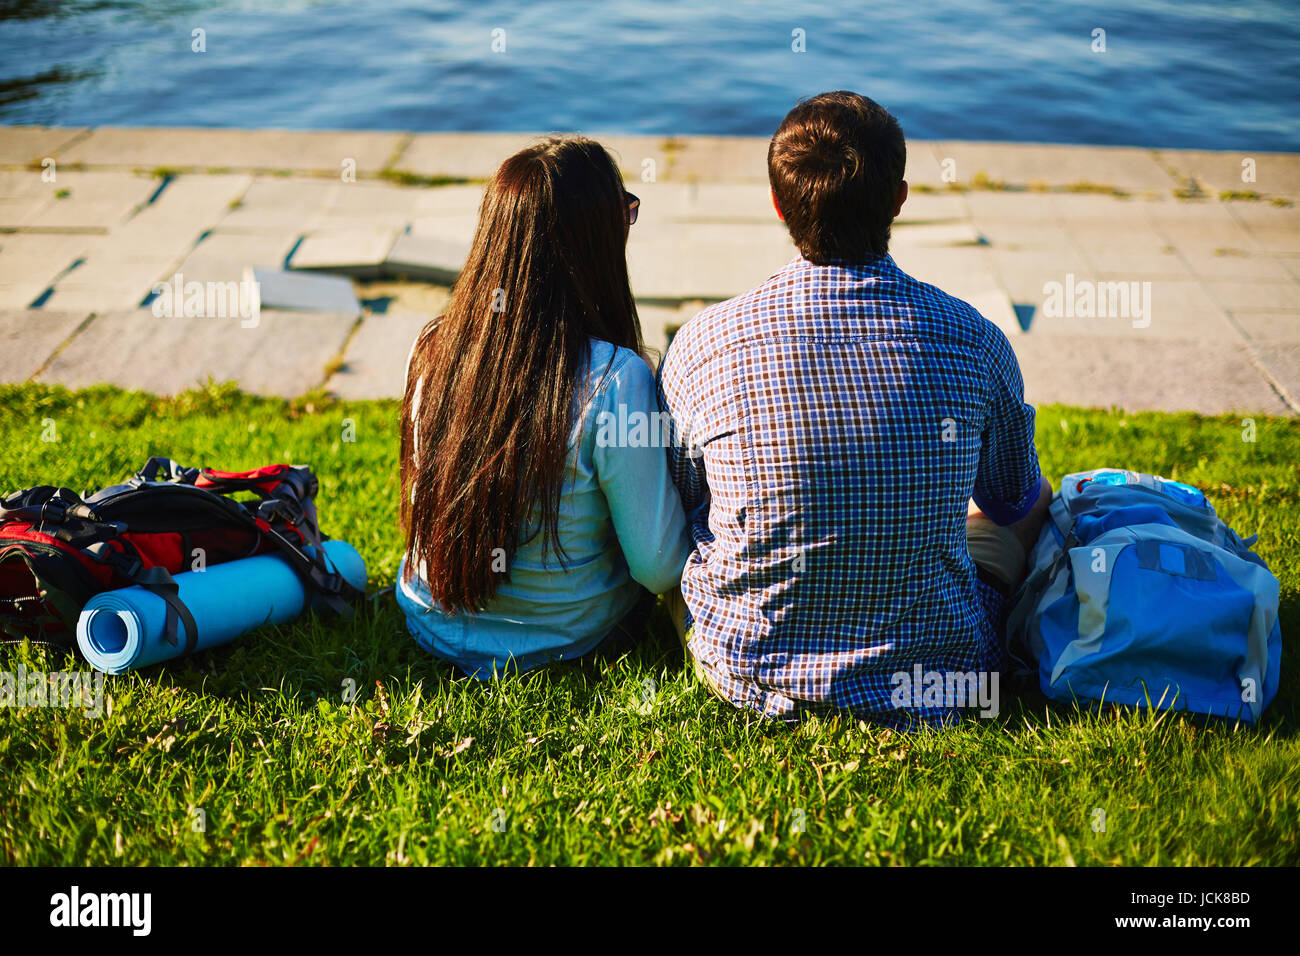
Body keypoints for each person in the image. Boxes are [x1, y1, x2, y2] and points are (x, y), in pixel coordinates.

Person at [657, 91, 1052, 726]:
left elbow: (683, 500)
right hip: (937, 678)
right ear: (899, 199)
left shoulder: (706, 342)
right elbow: (1009, 500)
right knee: (1031, 498)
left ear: (779, 204)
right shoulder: (976, 341)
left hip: (749, 665)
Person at [397, 136, 692, 676]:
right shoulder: (613, 378)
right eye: (623, 214)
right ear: (592, 241)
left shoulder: (434, 345)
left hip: (431, 623)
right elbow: (657, 565)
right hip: (568, 637)